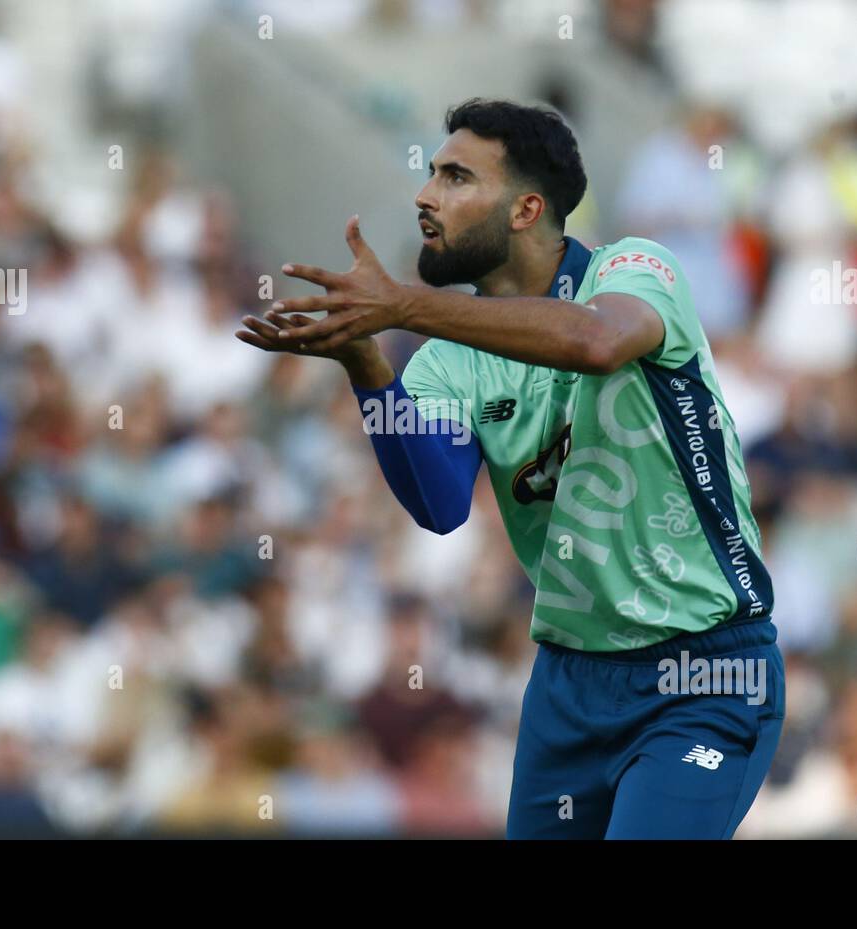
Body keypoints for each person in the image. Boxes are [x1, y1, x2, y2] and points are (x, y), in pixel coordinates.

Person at [236, 98, 785, 839]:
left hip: (703, 673)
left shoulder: (635, 269)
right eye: (432, 174)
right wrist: (366, 363)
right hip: (569, 684)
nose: (426, 195)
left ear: (527, 209)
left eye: (457, 177)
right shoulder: (444, 357)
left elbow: (594, 342)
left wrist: (402, 306)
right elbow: (439, 504)